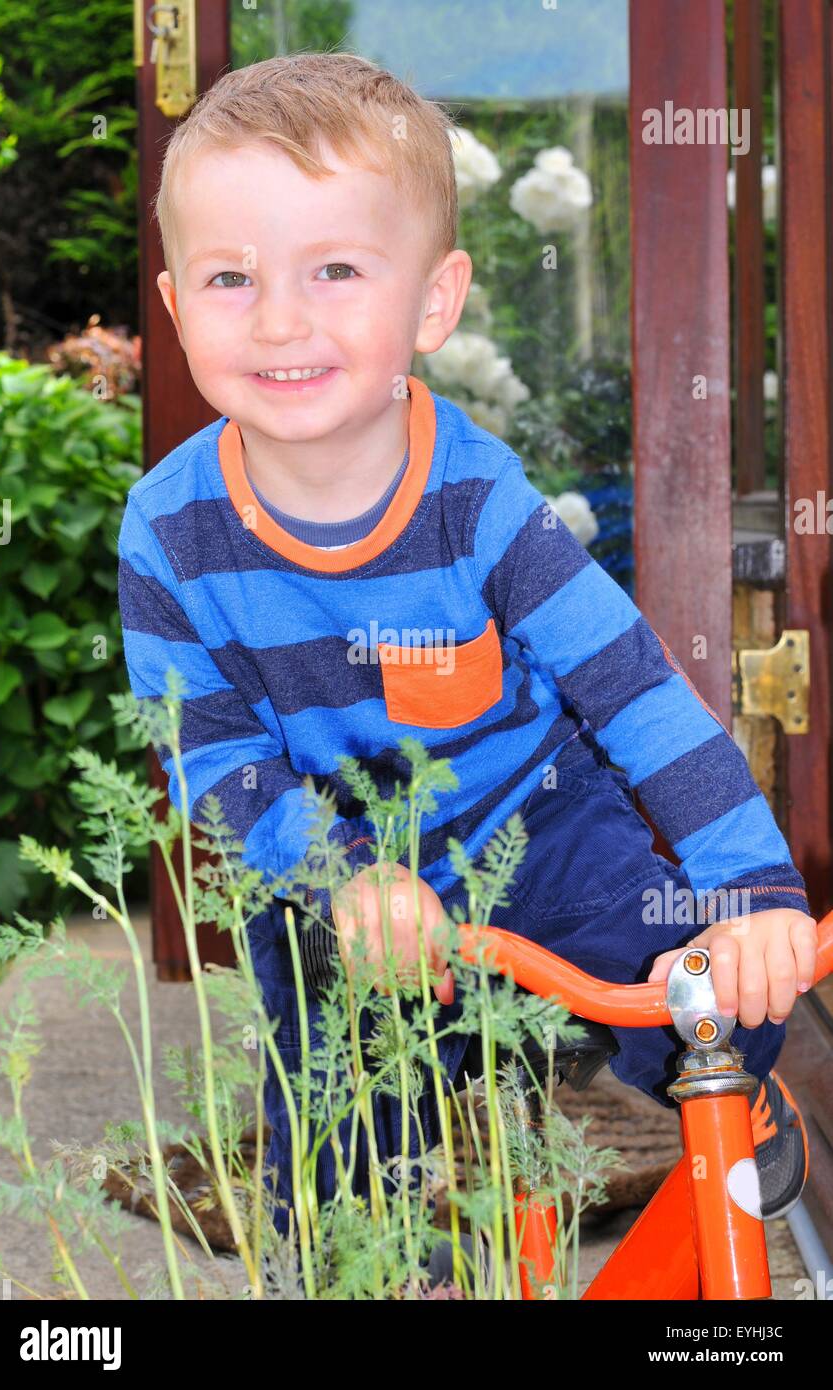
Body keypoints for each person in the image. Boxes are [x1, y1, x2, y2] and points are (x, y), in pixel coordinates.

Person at [118, 52, 815, 1240]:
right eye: (231, 278)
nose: (281, 317)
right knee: (338, 1146)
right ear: (177, 304)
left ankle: (721, 1105)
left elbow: (631, 690)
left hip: (525, 821)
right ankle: (381, 1253)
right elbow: (215, 754)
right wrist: (345, 877)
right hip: (331, 867)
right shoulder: (169, 531)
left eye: (334, 269)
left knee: (703, 969)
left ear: (433, 304)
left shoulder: (480, 501)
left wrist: (750, 889)